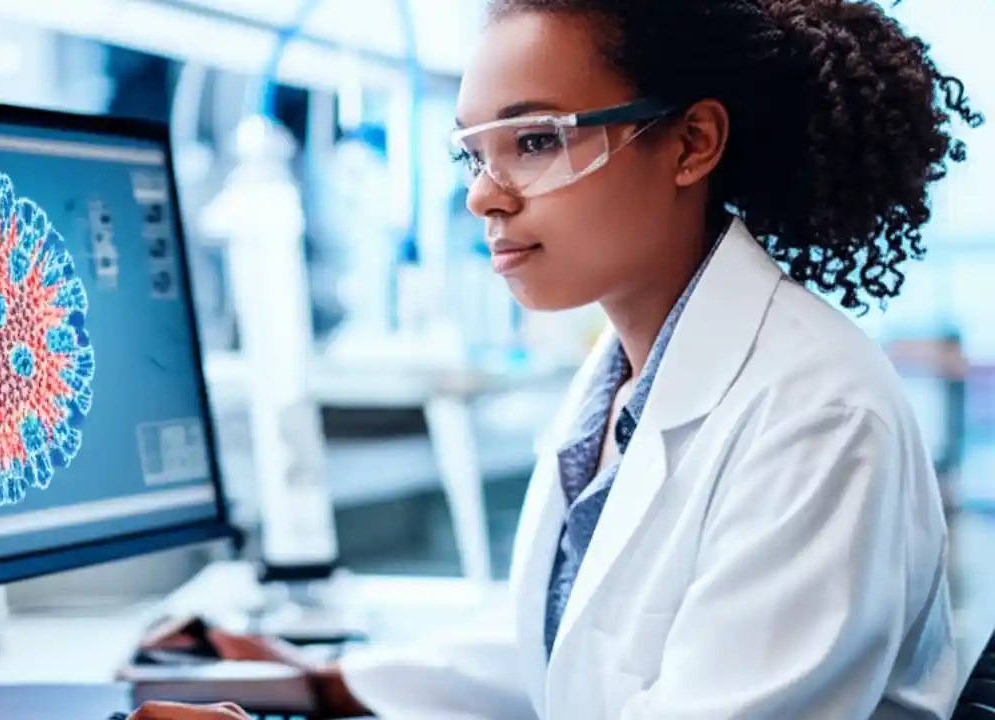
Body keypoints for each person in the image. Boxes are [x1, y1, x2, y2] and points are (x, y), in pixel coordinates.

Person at [129, 0, 983, 718]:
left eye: (535, 141)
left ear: (691, 143)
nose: (482, 195)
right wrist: (322, 683)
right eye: (474, 152)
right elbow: (578, 647)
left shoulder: (818, 415)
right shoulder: (625, 372)